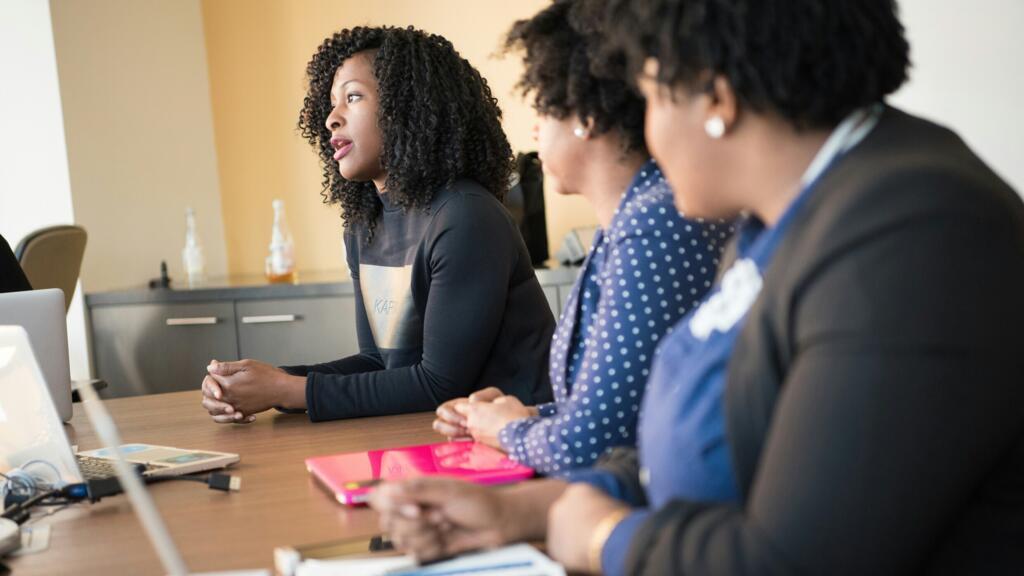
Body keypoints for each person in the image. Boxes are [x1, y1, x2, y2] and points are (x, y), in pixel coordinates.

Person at [370, 0, 1024, 573]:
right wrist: (517, 512)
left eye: (651, 97)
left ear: (715, 97)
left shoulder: (912, 232)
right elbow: (701, 451)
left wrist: (602, 536)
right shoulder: (778, 222)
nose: (646, 131)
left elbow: (794, 561)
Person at [431, 0, 730, 476]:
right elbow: (618, 414)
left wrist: (508, 431)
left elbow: (590, 446)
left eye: (542, 109)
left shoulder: (652, 224)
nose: (533, 129)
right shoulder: (634, 218)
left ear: (585, 115)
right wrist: (520, 416)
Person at [200, 26, 555, 423]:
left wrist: (289, 389)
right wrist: (267, 384)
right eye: (332, 104)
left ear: (408, 107)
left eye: (353, 97)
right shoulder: (363, 224)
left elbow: (440, 384)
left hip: (519, 445)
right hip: (433, 433)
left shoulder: (465, 216)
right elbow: (379, 362)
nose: (332, 119)